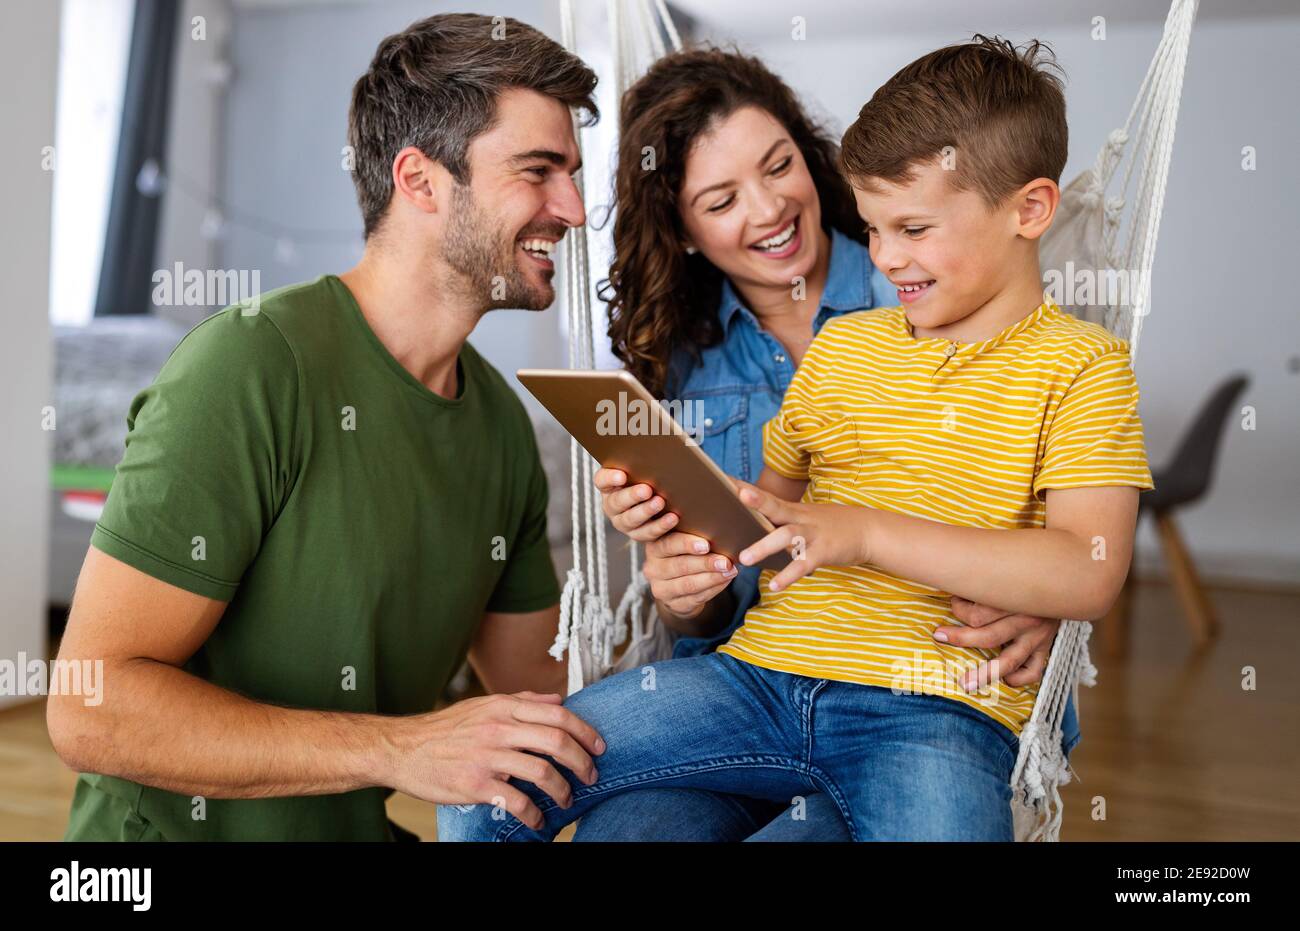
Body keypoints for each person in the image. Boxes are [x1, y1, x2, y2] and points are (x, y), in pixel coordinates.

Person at [437, 34, 1152, 842]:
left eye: (910, 228)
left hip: (938, 707)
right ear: (684, 230)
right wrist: (682, 536)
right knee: (487, 780)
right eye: (878, 229)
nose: (885, 255)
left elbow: (1087, 569)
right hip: (757, 677)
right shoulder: (842, 349)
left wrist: (871, 535)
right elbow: (765, 530)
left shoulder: (1082, 365)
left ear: (1030, 210)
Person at [48, 13, 607, 841]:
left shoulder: (499, 425)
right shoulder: (246, 371)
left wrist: (677, 596)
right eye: (539, 171)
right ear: (419, 180)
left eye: (573, 173)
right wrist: (400, 748)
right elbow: (88, 710)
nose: (574, 208)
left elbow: (536, 690)